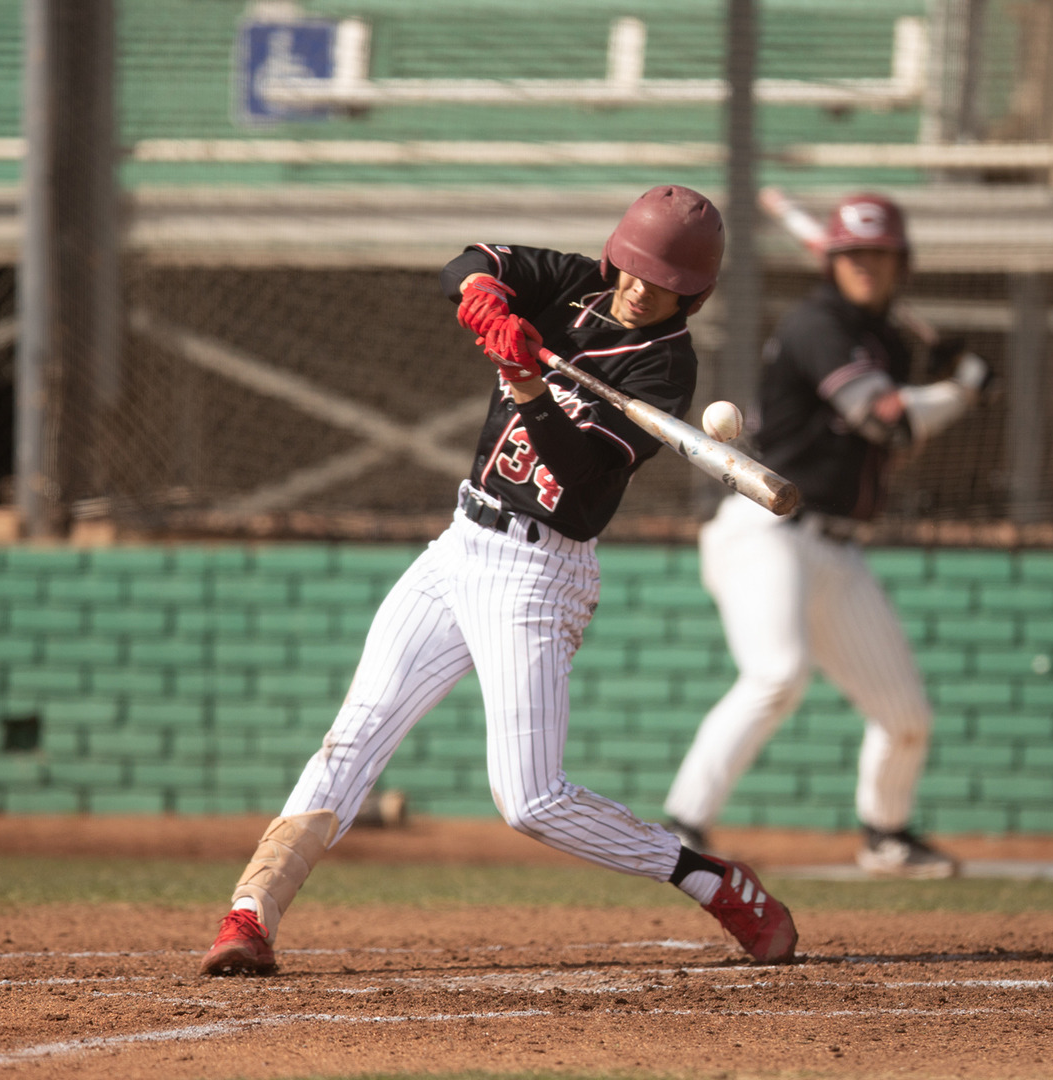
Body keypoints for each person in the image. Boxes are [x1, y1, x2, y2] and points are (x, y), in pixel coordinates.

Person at [199, 185, 798, 976]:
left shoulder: (662, 370)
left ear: (694, 292)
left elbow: (579, 484)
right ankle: (251, 914)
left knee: (530, 801)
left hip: (540, 573)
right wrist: (483, 297)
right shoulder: (573, 280)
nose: (640, 286)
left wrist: (527, 387)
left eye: (663, 280)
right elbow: (470, 262)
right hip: (459, 545)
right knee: (355, 734)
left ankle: (712, 880)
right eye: (634, 266)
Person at [662, 193, 986, 878]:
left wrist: (937, 373)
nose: (866, 267)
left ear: (901, 264)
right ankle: (681, 826)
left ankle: (887, 836)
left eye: (880, 256)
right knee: (777, 675)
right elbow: (882, 419)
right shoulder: (815, 324)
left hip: (837, 547)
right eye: (854, 255)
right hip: (766, 527)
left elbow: (896, 439)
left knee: (906, 714)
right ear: (833, 260)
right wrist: (963, 390)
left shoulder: (888, 340)